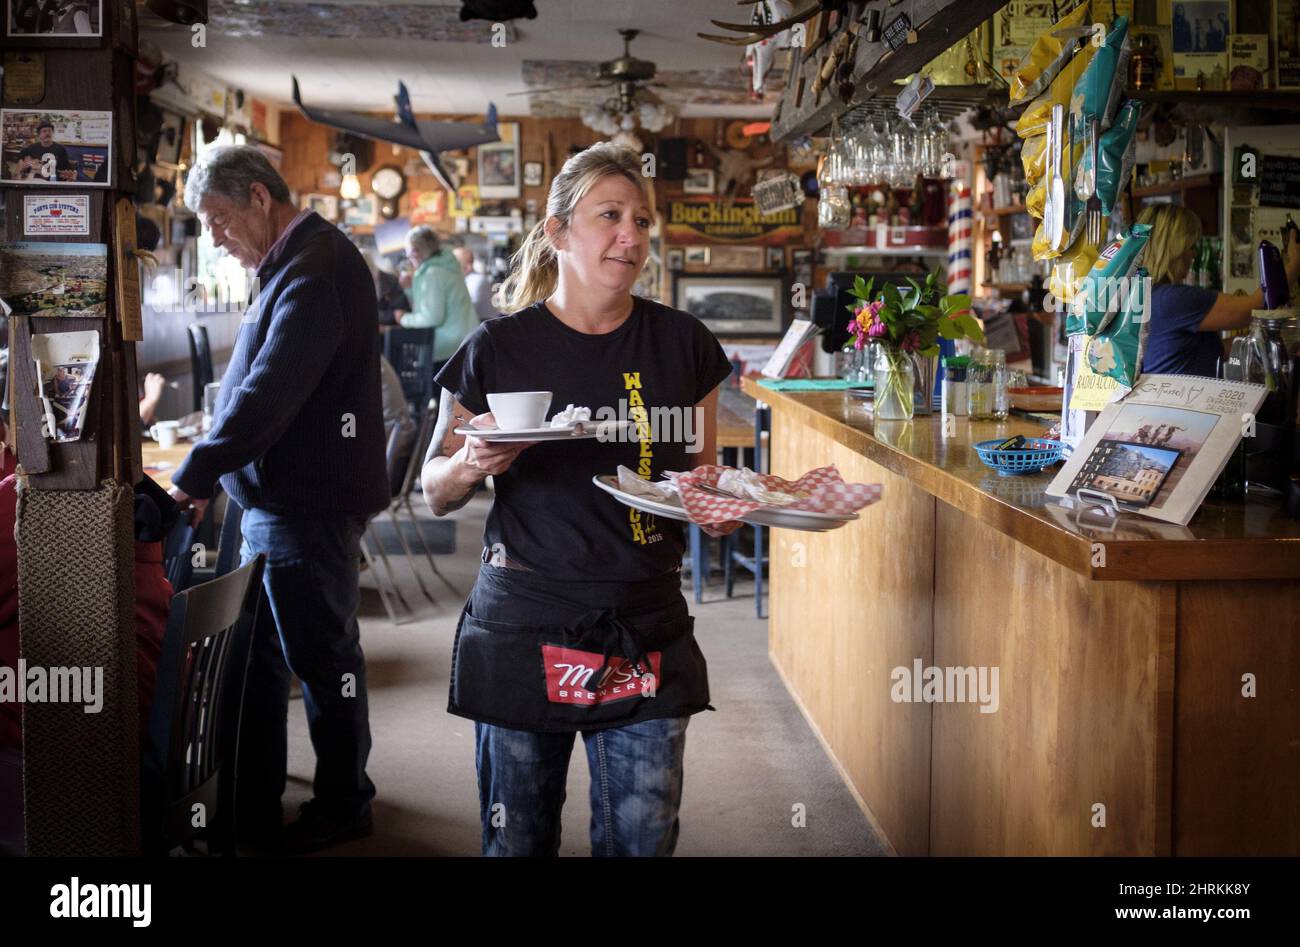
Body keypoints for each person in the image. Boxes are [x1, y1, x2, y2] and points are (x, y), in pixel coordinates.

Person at [421, 142, 732, 857]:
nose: (633, 235)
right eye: (610, 216)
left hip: (643, 618)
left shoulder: (685, 344)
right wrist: (472, 460)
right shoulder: (495, 348)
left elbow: (706, 484)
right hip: (526, 618)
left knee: (641, 840)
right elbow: (434, 490)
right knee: (518, 839)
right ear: (559, 232)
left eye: (644, 220)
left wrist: (740, 505)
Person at [167, 145, 389, 854]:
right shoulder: (293, 261)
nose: (216, 239)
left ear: (260, 197)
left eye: (221, 220)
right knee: (262, 656)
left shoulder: (315, 269)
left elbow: (269, 395)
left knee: (324, 662)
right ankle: (252, 795)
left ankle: (345, 802)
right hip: (283, 503)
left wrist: (196, 471)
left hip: (306, 506)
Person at [1138, 204, 1300, 377]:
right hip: (1179, 401)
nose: (1193, 256)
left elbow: (1208, 352)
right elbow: (1255, 308)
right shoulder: (1171, 299)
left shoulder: (1145, 295)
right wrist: (1295, 264)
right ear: (1173, 249)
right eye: (1191, 247)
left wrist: (1267, 337)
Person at [398, 226, 477, 367]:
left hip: (447, 348)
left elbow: (431, 318)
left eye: (408, 252)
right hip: (465, 341)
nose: (409, 257)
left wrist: (404, 318)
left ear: (418, 251)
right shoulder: (446, 265)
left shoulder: (432, 273)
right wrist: (410, 289)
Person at [453, 246, 499, 322]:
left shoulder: (477, 281)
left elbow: (465, 310)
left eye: (455, 262)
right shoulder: (463, 280)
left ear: (468, 267)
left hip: (486, 325)